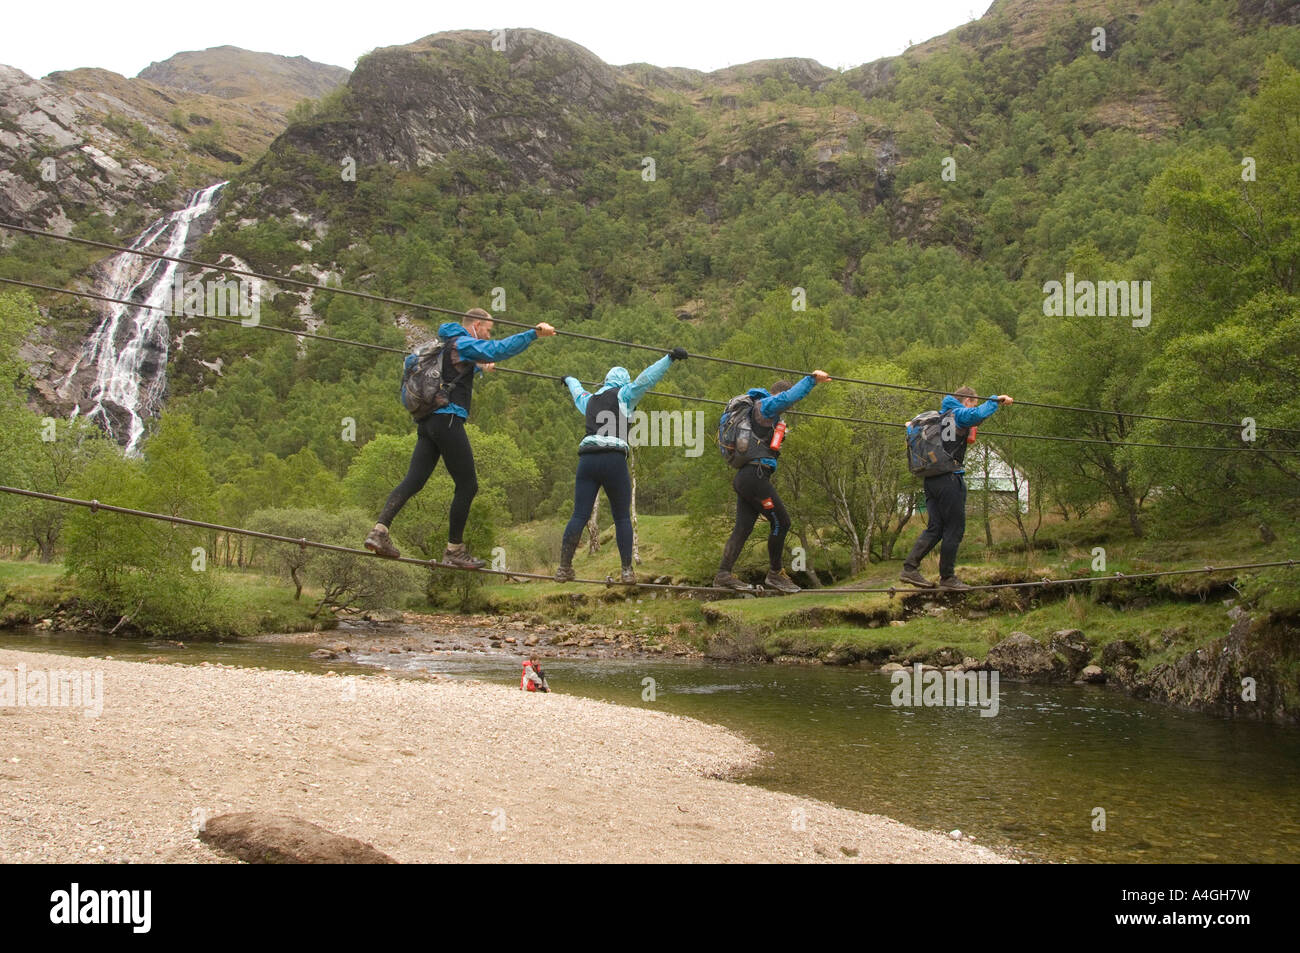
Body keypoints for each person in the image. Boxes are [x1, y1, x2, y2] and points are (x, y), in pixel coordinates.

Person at [364, 308, 556, 568]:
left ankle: (379, 532)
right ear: (476, 325)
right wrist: (533, 334)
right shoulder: (463, 341)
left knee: (413, 481)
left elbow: (451, 373)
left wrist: (477, 369)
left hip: (428, 422)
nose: (488, 336)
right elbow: (498, 350)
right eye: (487, 330)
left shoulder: (444, 344)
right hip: (448, 419)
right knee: (468, 485)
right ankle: (454, 549)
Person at [555, 347, 688, 584]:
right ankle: (627, 571)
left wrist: (567, 379)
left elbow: (577, 390)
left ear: (605, 381)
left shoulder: (589, 400)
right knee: (622, 518)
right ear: (622, 382)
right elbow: (647, 378)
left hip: (587, 459)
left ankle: (564, 567)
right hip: (614, 459)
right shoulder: (625, 395)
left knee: (579, 514)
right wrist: (669, 358)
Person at [714, 370, 831, 594]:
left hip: (747, 478)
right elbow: (787, 398)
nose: (785, 407)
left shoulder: (758, 414)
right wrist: (811, 381)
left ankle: (723, 574)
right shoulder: (765, 406)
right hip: (754, 476)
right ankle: (775, 574)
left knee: (743, 527)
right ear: (777, 394)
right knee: (782, 522)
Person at [900, 386, 1014, 590]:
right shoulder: (957, 413)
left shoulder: (938, 417)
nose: (975, 406)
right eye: (974, 402)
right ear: (967, 400)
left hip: (931, 479)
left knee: (935, 527)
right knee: (955, 528)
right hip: (950, 479)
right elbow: (977, 414)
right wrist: (996, 401)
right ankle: (948, 577)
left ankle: (910, 568)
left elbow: (911, 429)